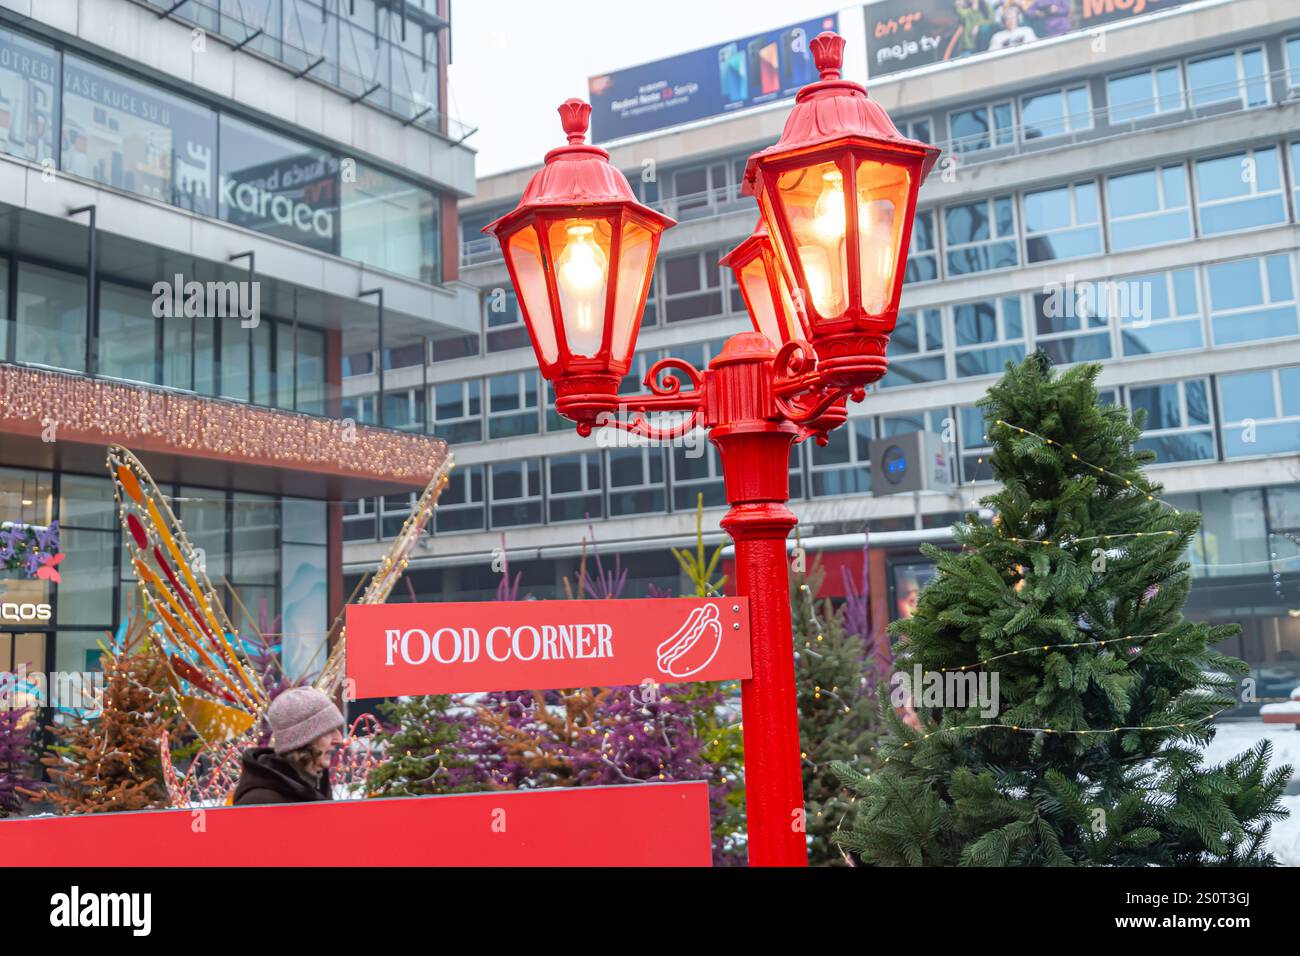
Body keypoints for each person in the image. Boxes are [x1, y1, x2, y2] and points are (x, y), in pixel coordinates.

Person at [233, 686, 344, 806]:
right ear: (302, 741)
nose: (339, 739)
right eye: (328, 732)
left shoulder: (314, 783)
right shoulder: (260, 801)